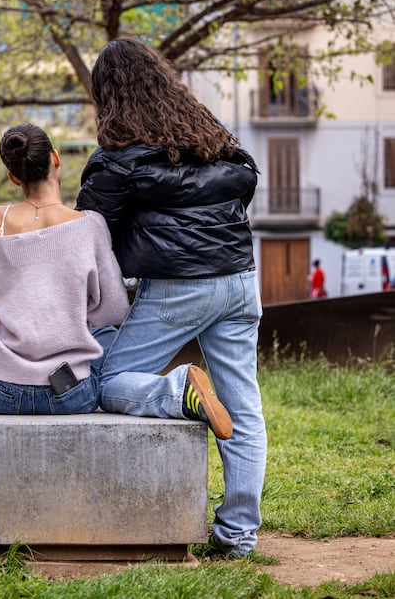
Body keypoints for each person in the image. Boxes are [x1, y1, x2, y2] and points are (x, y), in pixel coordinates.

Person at [76, 37, 264, 558]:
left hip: (179, 287)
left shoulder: (116, 160)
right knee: (244, 405)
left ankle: (179, 389)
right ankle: (238, 535)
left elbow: (88, 237)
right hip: (240, 280)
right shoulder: (217, 142)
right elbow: (242, 188)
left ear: (107, 94)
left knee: (106, 382)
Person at [0, 124, 204, 416]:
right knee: (104, 335)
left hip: (0, 392)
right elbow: (112, 310)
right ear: (55, 158)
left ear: (13, 176)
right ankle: (174, 391)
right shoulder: (90, 224)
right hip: (71, 394)